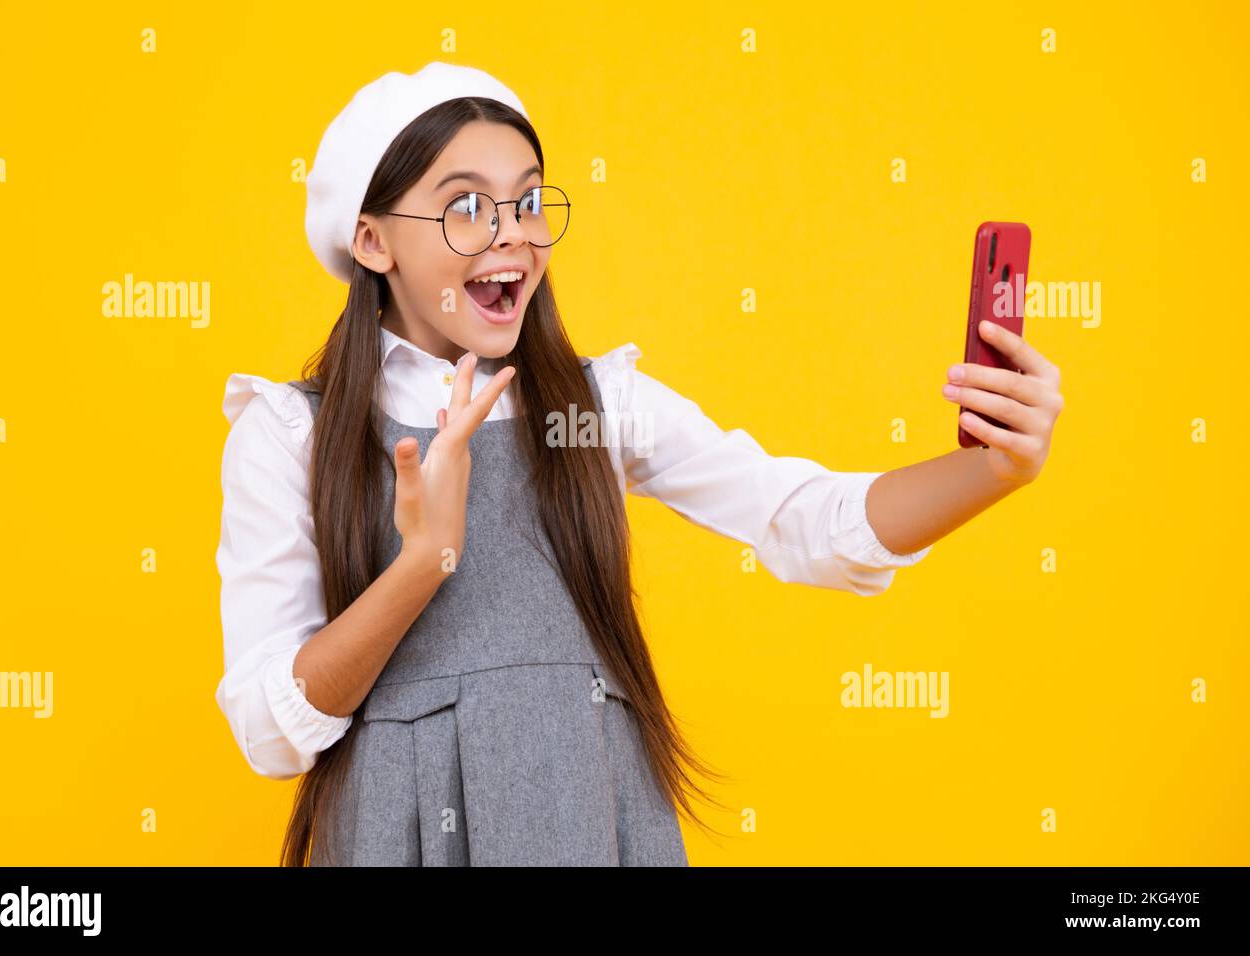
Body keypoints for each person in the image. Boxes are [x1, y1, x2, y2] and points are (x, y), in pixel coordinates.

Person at [214, 61, 1064, 866]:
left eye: (529, 201)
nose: (513, 236)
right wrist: (420, 564)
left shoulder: (599, 409)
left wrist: (994, 471)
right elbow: (269, 733)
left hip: (592, 821)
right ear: (371, 241)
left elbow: (799, 517)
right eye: (466, 208)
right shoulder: (290, 434)